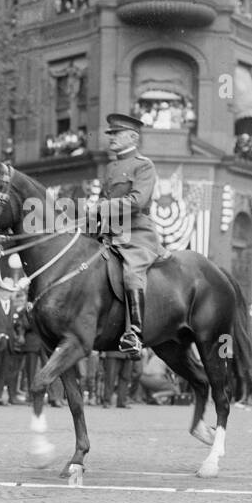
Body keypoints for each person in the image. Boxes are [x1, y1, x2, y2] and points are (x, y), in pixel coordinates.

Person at [88, 112, 163, 354]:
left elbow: (137, 202)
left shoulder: (144, 166)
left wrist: (102, 207)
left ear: (133, 137)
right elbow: (102, 200)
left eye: (116, 134)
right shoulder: (111, 167)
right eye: (110, 133)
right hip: (110, 234)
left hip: (137, 234)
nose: (111, 137)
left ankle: (135, 334)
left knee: (131, 273)